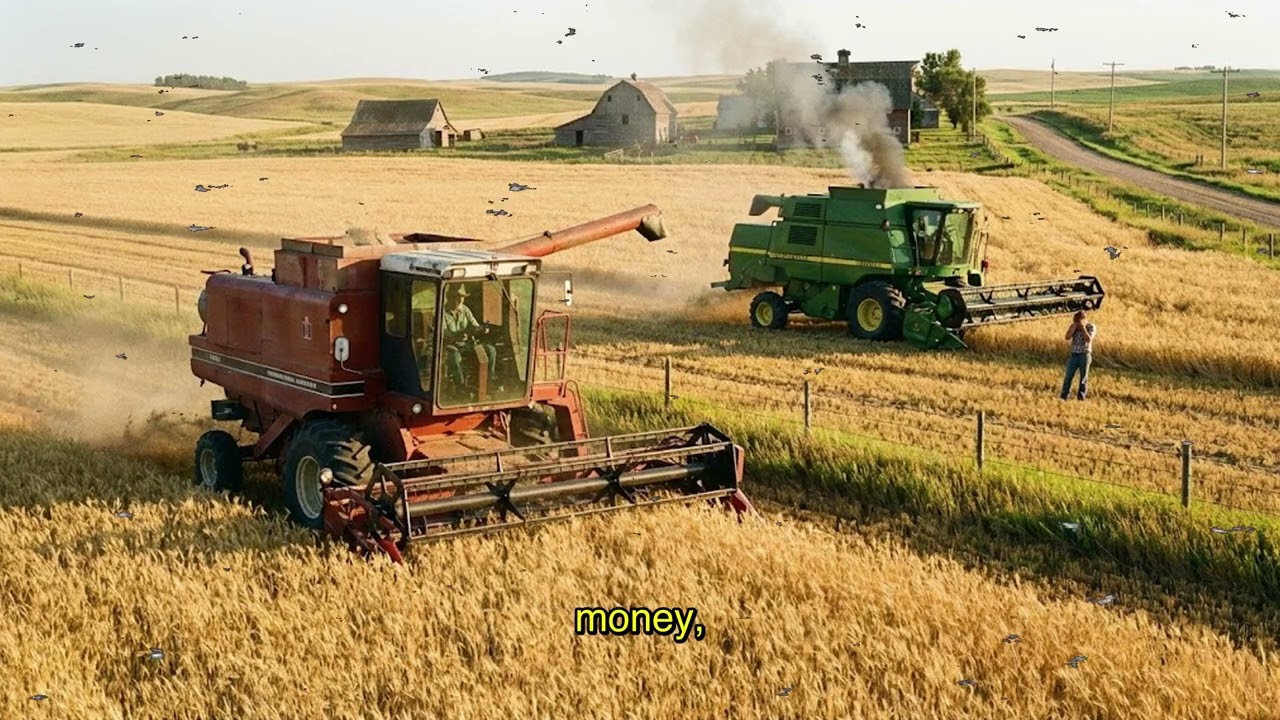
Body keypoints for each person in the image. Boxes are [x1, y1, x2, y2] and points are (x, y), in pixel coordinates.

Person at [442, 285, 497, 390]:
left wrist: (482, 329)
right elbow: (444, 334)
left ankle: (488, 382)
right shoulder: (442, 313)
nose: (460, 300)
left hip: (467, 345)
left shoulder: (465, 310)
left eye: (462, 298)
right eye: (457, 297)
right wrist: (458, 336)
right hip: (449, 347)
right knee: (455, 357)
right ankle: (461, 387)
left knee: (491, 350)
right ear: (449, 297)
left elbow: (474, 325)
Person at [1060, 310, 1096, 400]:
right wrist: (1073, 328)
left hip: (1085, 355)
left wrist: (1083, 328)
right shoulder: (1073, 326)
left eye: (1078, 321)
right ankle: (1064, 396)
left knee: (1083, 378)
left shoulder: (1090, 327)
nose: (1077, 323)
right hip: (1074, 355)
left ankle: (1081, 397)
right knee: (1068, 376)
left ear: (1084, 319)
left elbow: (1088, 339)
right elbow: (1067, 337)